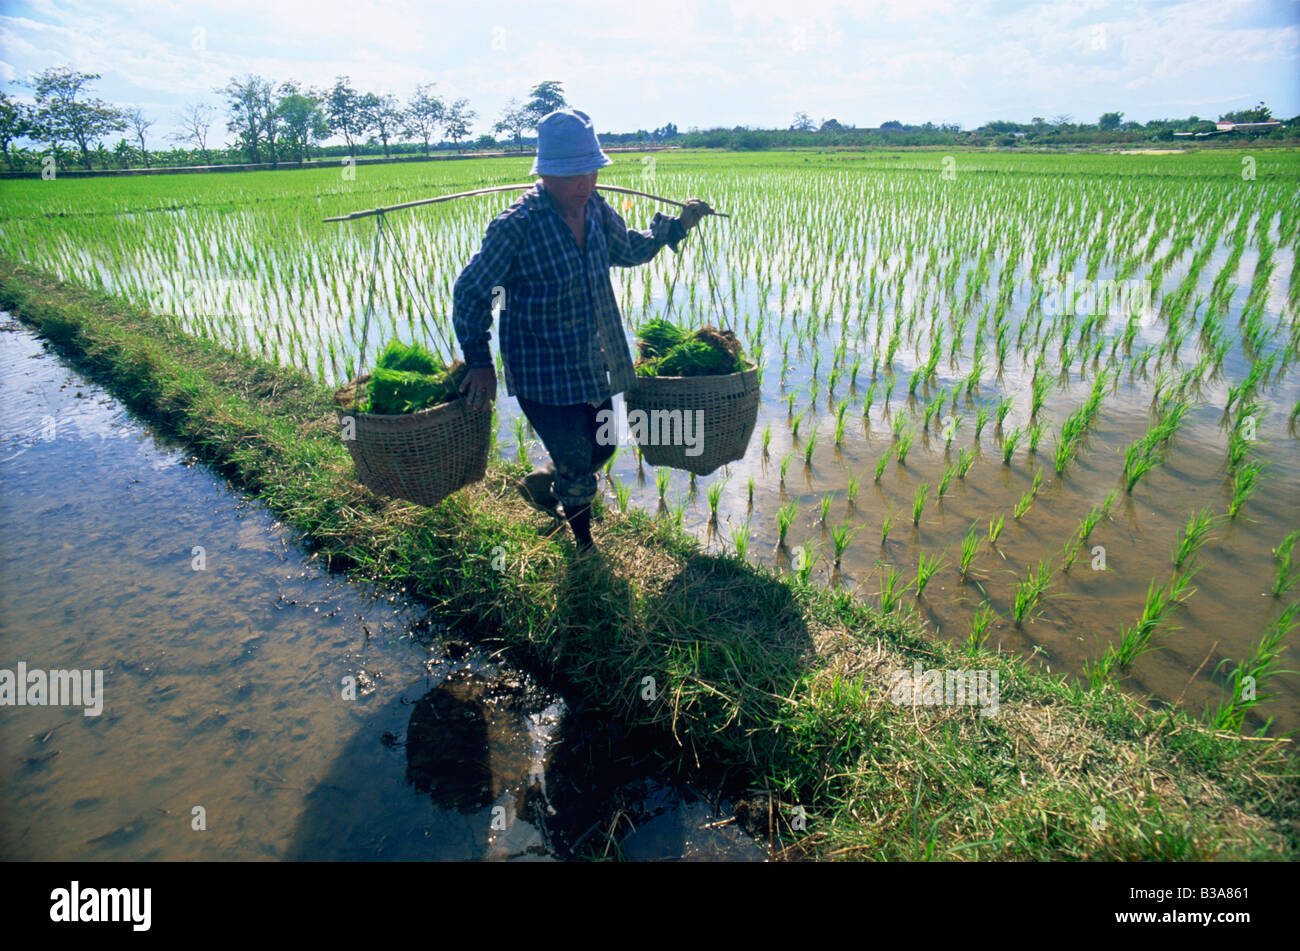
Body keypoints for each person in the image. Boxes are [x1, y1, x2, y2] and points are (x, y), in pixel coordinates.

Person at [452, 108, 712, 553]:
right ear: (547, 174)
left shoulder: (595, 209)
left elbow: (629, 249)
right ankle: (585, 548)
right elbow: (472, 292)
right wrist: (479, 362)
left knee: (603, 446)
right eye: (574, 174)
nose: (585, 182)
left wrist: (677, 227)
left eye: (590, 171)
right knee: (576, 459)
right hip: (541, 371)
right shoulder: (516, 227)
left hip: (591, 360)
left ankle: (545, 484)